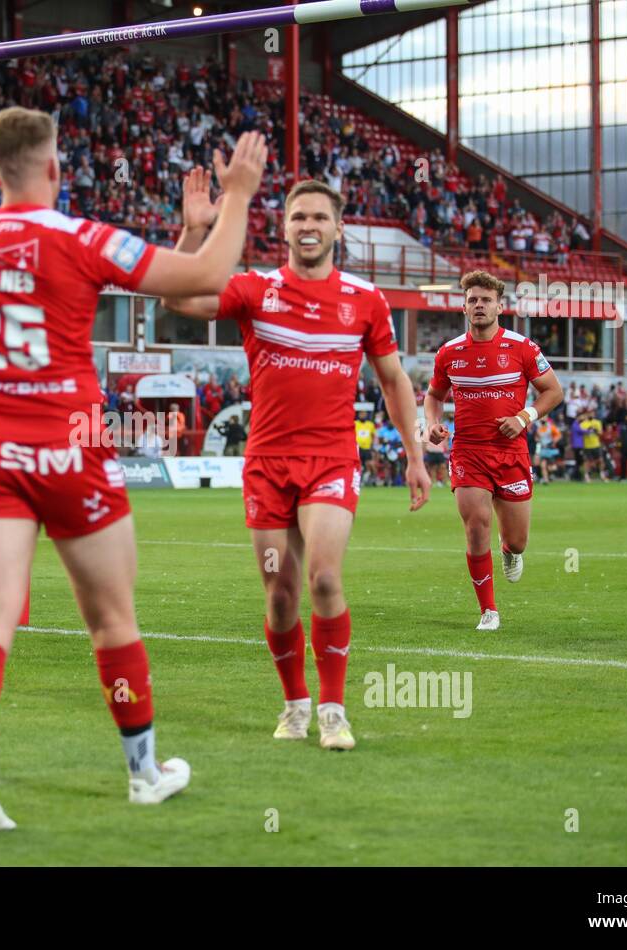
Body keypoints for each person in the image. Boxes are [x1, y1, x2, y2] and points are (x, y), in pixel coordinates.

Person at [0, 106, 265, 830]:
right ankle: (143, 772)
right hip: (72, 447)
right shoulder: (85, 238)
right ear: (56, 168)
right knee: (110, 617)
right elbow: (208, 274)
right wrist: (240, 192)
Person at [161, 174, 430, 750]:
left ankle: (334, 710)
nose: (308, 226)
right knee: (280, 594)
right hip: (265, 463)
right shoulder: (254, 290)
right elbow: (175, 297)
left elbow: (393, 379)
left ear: (338, 228)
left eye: (319, 218)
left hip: (332, 458)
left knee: (325, 579)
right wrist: (193, 229)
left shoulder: (366, 300)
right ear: (282, 227)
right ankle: (295, 705)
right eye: (298, 217)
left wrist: (415, 453)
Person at [423, 271, 565, 631]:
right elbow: (433, 396)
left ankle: (509, 551)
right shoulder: (449, 352)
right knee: (475, 528)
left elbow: (553, 391)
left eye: (486, 300)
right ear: (465, 307)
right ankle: (488, 610)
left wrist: (525, 416)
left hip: (511, 452)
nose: (479, 305)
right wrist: (432, 424)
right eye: (473, 300)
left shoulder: (522, 347)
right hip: (468, 452)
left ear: (500, 306)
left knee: (517, 541)